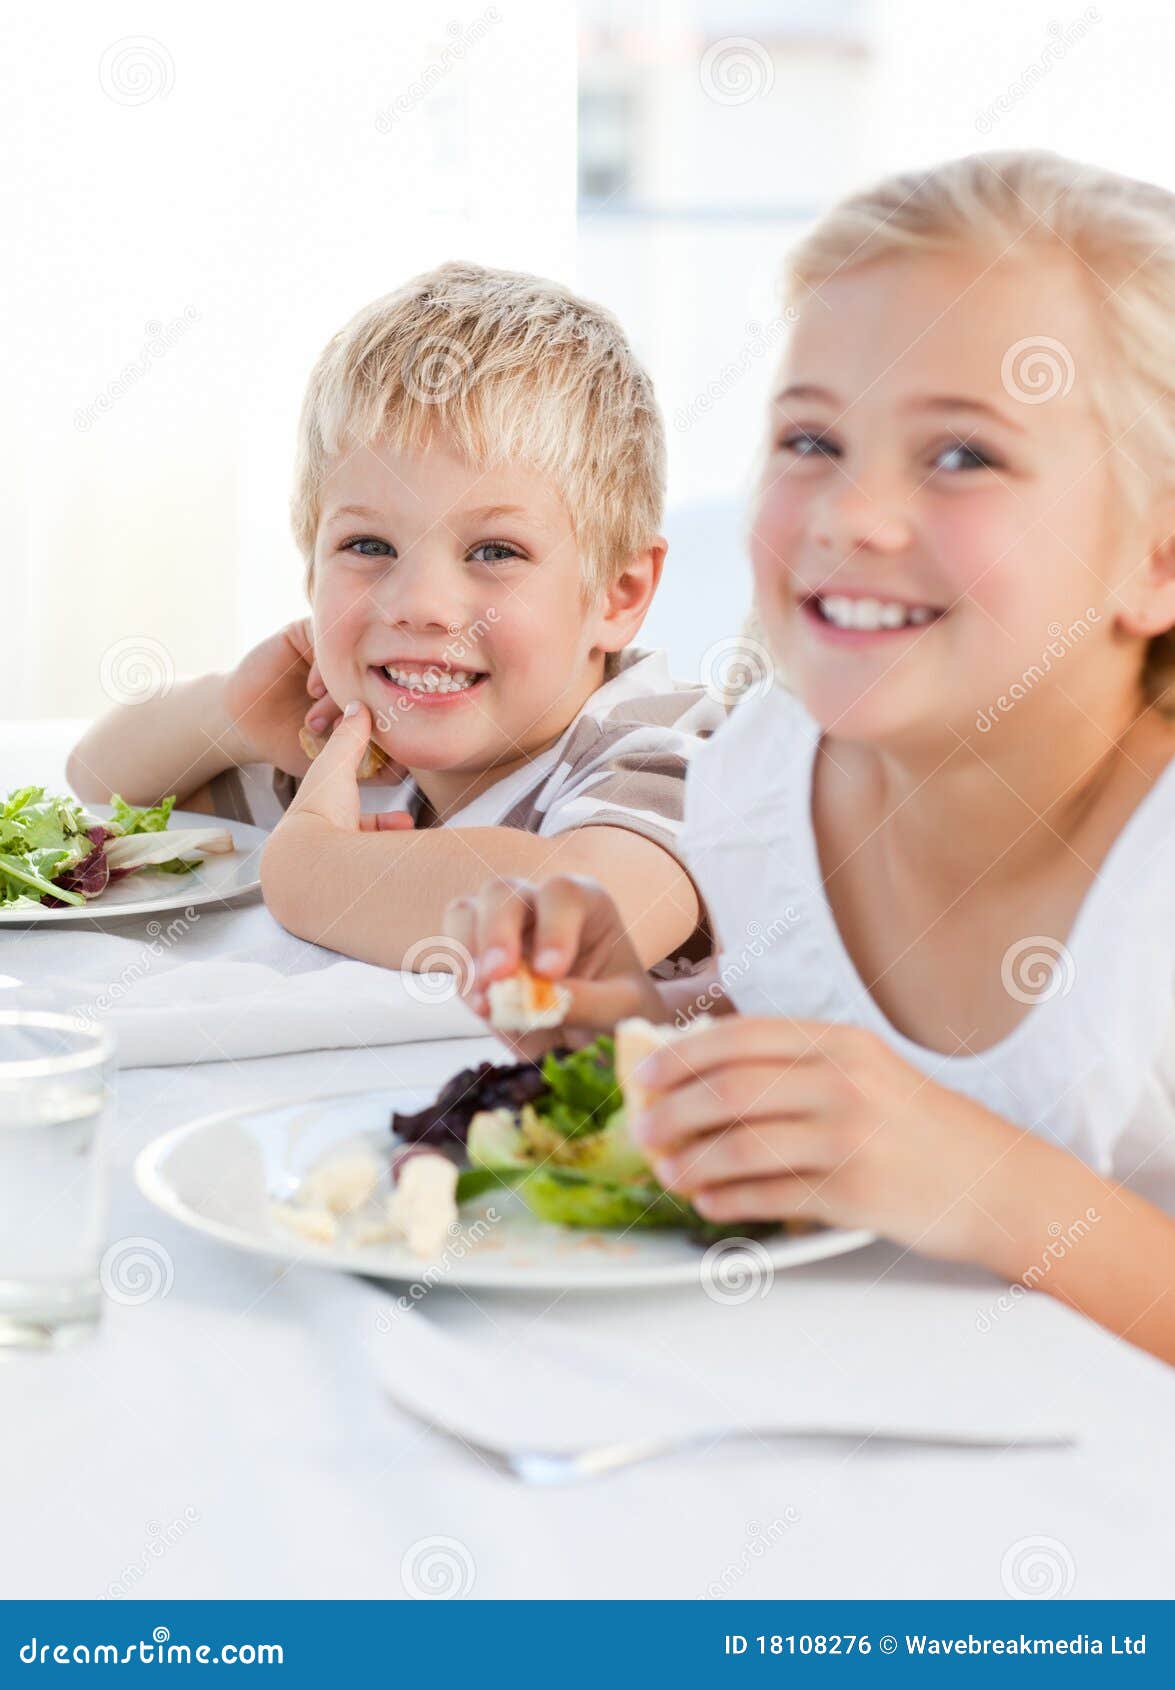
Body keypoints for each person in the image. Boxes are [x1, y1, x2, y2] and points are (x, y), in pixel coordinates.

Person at [444, 153, 1175, 1367]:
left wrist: (987, 1184)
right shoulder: (761, 785)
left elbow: (943, 1149)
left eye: (960, 456)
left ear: (1154, 556)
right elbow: (811, 1053)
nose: (848, 514)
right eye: (809, 438)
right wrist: (638, 1028)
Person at [68, 263, 723, 970]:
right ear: (311, 568)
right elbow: (100, 781)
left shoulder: (664, 748)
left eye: (494, 551)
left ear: (616, 595)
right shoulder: (360, 762)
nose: (417, 605)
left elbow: (573, 926)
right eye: (369, 545)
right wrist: (229, 713)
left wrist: (311, 867)